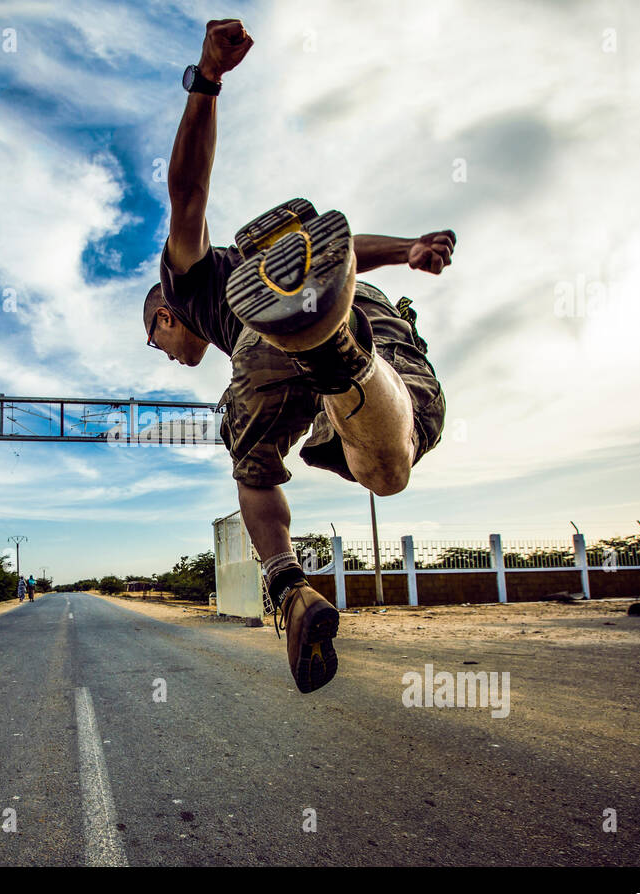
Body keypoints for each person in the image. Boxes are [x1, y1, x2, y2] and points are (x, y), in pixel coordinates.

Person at [145, 19, 454, 694]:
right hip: (363, 300)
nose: (165, 353)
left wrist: (206, 81)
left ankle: (288, 587)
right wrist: (407, 249)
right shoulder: (261, 269)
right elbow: (335, 253)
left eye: (155, 339)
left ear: (163, 314)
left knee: (259, 470)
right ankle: (342, 353)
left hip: (264, 345)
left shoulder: (189, 284)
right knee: (392, 454)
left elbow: (187, 194)